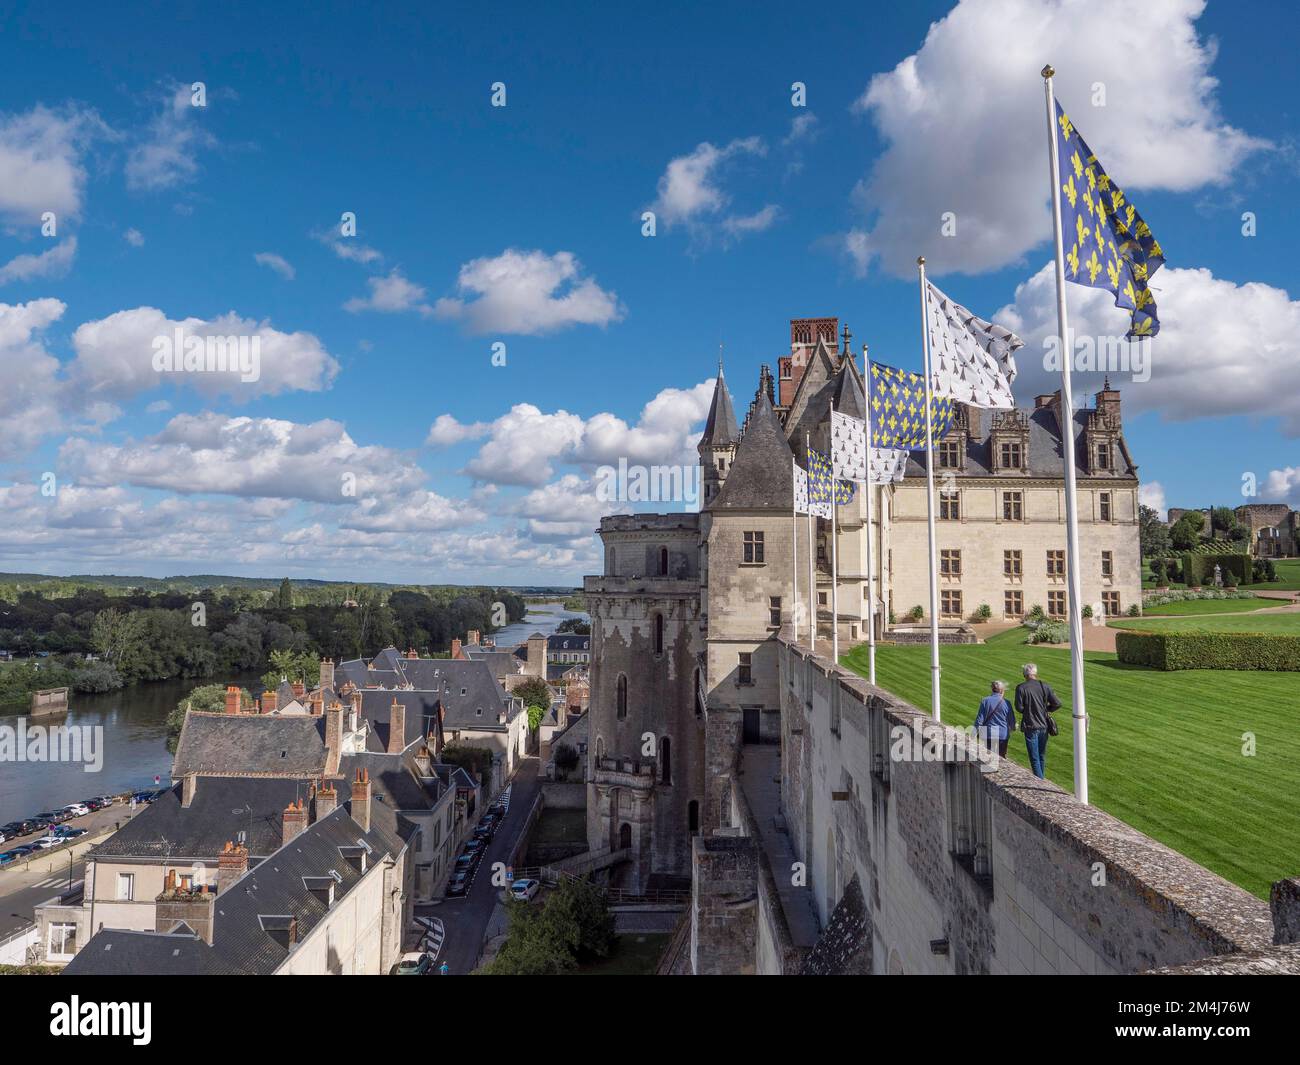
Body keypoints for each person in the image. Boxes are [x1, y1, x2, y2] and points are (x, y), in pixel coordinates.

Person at [1014, 663, 1060, 778]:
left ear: (1024, 674)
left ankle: (1040, 782)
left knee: (1034, 758)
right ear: (1035, 673)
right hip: (1043, 726)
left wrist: (1028, 709)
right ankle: (1041, 779)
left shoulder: (1021, 688)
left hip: (1030, 726)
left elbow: (1019, 708)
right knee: (1041, 756)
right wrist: (1046, 709)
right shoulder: (1044, 686)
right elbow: (1057, 703)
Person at [973, 680, 1015, 758]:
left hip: (988, 734)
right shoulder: (1007, 703)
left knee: (987, 758)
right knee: (1001, 758)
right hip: (1002, 735)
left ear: (992, 689)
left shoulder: (985, 701)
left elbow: (979, 720)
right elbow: (1012, 721)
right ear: (1002, 690)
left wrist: (973, 733)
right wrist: (1012, 729)